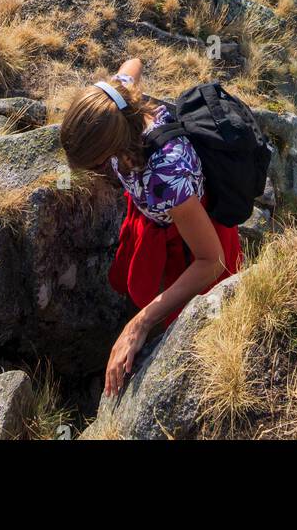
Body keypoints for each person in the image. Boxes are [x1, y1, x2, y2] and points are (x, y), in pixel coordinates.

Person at [60, 56, 241, 395]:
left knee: (184, 322)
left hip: (189, 243)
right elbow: (134, 63)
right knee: (143, 289)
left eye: (97, 163)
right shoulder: (119, 100)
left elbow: (210, 260)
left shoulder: (165, 177)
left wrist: (138, 325)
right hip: (156, 218)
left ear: (113, 148)